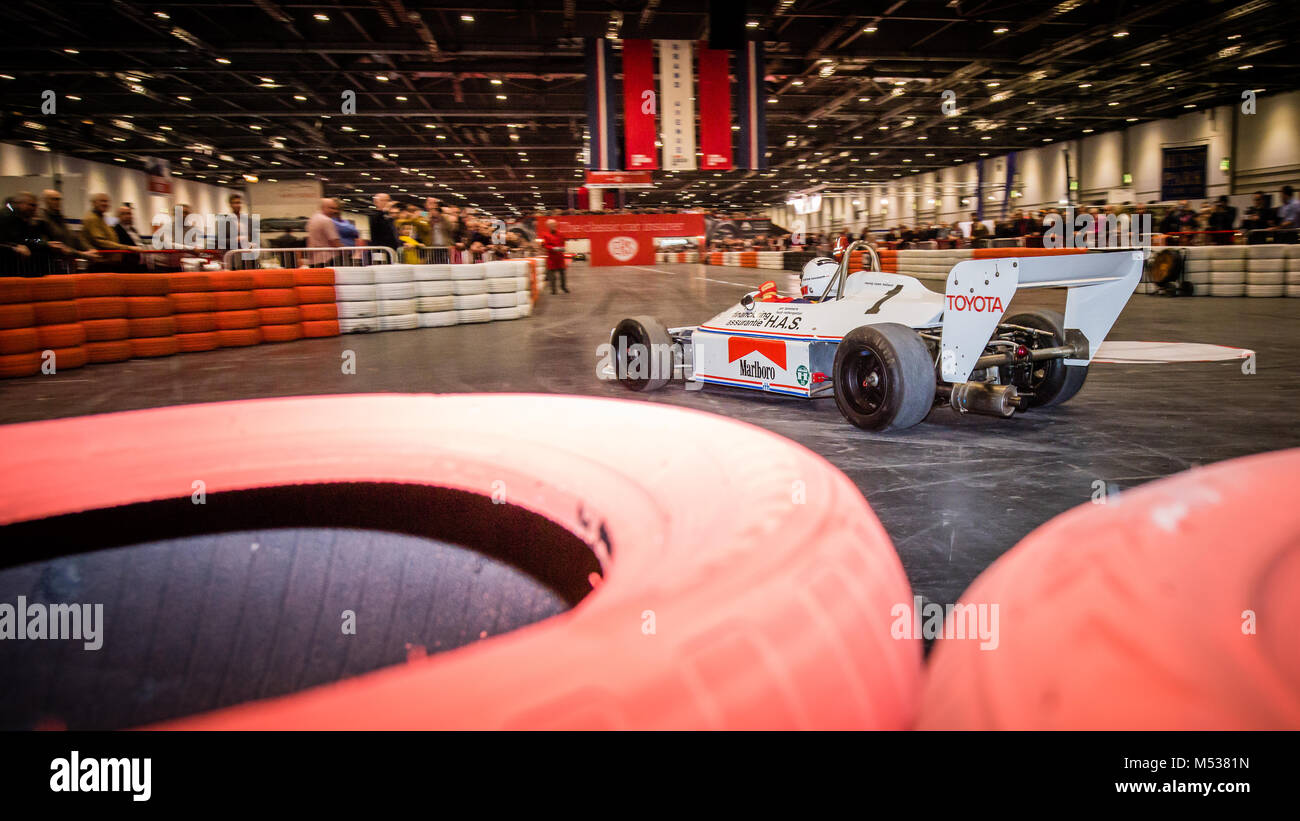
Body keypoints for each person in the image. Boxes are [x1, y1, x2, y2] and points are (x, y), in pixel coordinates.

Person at [82, 194, 143, 262]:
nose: (105, 204)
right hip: (100, 261)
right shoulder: (92, 218)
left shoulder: (101, 218)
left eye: (106, 201)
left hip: (109, 261)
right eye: (102, 201)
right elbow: (100, 241)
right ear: (94, 203)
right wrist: (128, 248)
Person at [306, 198, 342, 266]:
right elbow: (334, 242)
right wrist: (344, 250)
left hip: (314, 259)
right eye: (332, 208)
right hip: (327, 259)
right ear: (323, 207)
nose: (335, 211)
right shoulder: (327, 220)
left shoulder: (313, 218)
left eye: (336, 208)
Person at [111, 205, 149, 271]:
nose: (128, 216)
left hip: (141, 263)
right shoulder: (115, 230)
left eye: (129, 213)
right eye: (124, 214)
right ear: (118, 216)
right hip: (128, 266)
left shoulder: (133, 229)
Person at [539, 218, 568, 294]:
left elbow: (563, 243)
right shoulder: (545, 235)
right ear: (548, 226)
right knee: (552, 275)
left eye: (554, 224)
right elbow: (545, 245)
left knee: (562, 273)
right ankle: (553, 290)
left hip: (560, 257)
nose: (553, 225)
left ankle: (563, 287)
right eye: (551, 224)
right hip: (551, 257)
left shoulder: (561, 234)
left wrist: (563, 248)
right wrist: (553, 248)